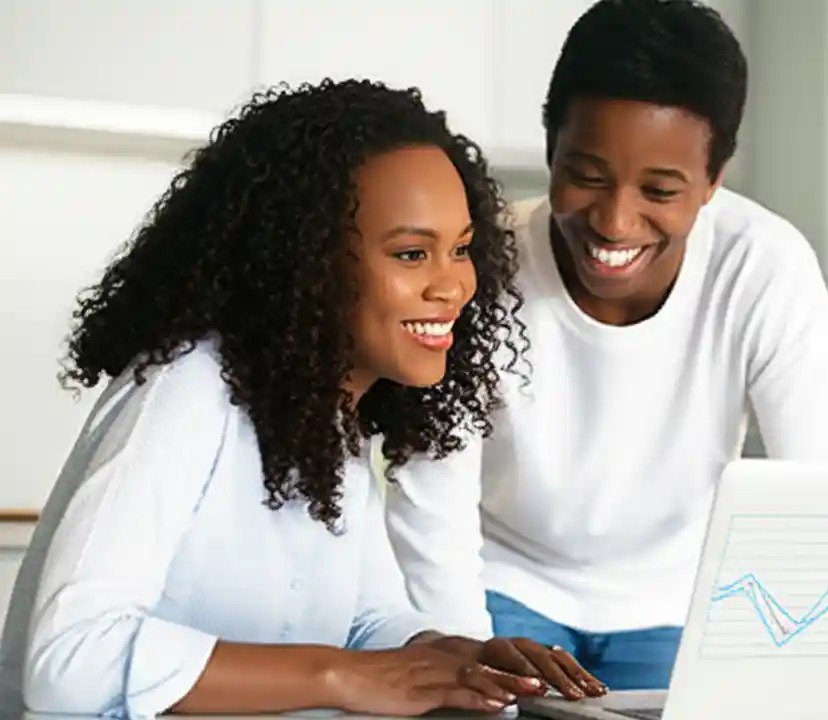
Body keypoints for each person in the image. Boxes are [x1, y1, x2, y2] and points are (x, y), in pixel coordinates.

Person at [0, 79, 604, 717]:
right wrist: (341, 676)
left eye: (459, 250)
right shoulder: (188, 386)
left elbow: (364, 620)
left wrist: (452, 657)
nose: (452, 286)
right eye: (411, 254)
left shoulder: (331, 417)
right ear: (304, 259)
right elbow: (67, 661)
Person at [386, 0, 828, 691]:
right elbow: (431, 498)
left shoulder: (762, 265)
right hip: (502, 588)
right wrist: (461, 657)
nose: (615, 222)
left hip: (677, 603)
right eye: (587, 176)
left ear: (713, 180)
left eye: (660, 189)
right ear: (552, 149)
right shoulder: (480, 262)